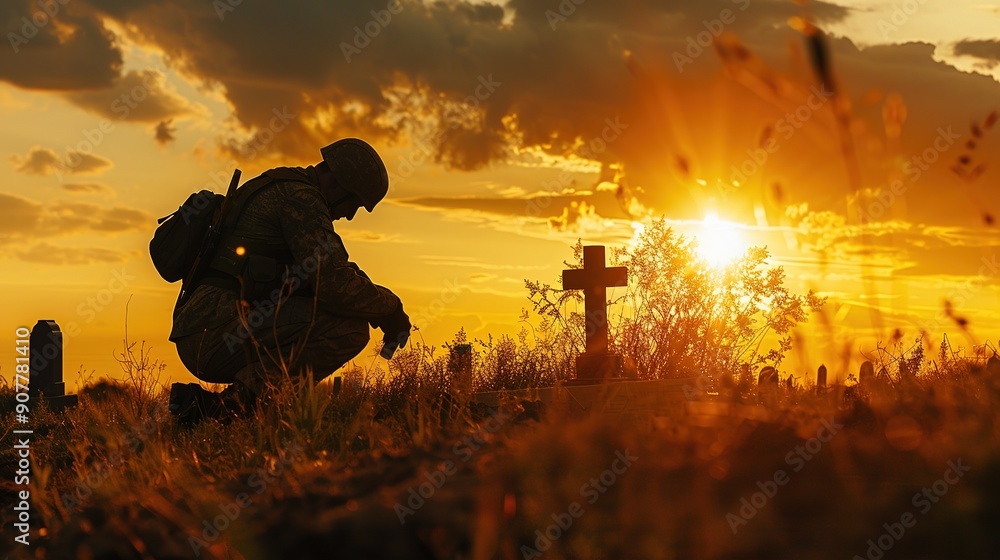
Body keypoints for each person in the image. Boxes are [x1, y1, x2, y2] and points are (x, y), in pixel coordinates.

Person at [167, 138, 410, 425]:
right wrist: (389, 308)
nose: (350, 214)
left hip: (204, 328)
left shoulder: (282, 187)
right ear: (337, 183)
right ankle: (234, 408)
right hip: (216, 331)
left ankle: (210, 408)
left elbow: (333, 269)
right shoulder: (301, 200)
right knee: (348, 330)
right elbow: (333, 283)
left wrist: (379, 304)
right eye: (354, 202)